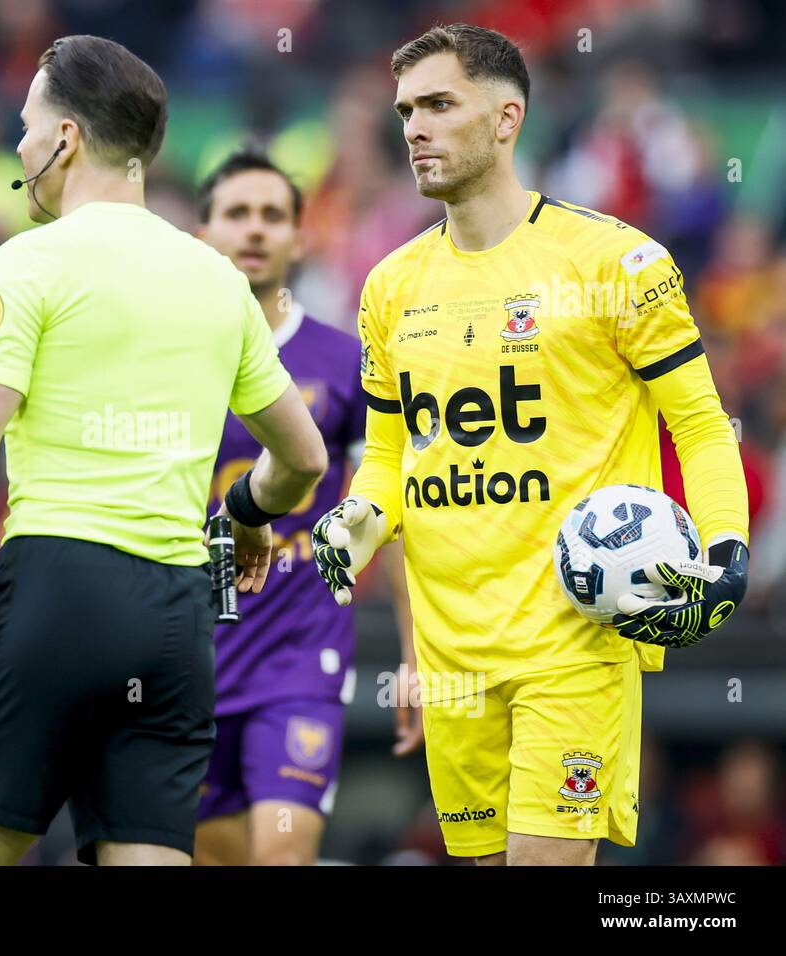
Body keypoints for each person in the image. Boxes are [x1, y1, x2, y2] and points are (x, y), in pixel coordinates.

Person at [0, 35, 328, 866]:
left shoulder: (28, 261)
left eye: (27, 127)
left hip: (56, 595)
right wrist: (246, 515)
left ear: (66, 138)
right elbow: (307, 459)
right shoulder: (216, 277)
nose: (21, 145)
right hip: (176, 619)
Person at [311, 23, 749, 866]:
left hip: (574, 640)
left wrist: (725, 548)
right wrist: (361, 517)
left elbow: (699, 424)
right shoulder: (389, 287)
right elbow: (392, 453)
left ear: (508, 118)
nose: (415, 128)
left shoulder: (615, 262)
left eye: (440, 104)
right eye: (407, 110)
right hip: (450, 656)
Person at [191, 148, 419, 866]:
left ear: (300, 236)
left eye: (272, 215)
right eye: (236, 214)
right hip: (186, 658)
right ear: (203, 233)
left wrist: (417, 655)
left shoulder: (344, 361)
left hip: (300, 659)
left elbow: (394, 518)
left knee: (282, 857)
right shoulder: (167, 357)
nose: (254, 230)